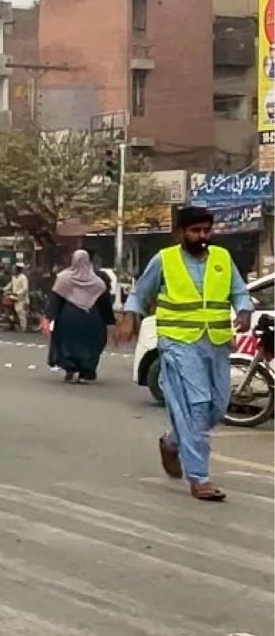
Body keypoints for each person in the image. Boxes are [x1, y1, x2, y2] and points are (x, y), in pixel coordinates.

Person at [115, 206, 254, 501]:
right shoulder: (164, 260)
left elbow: (239, 291)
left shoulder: (222, 258)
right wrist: (128, 318)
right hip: (178, 344)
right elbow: (141, 292)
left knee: (217, 406)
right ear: (180, 233)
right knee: (197, 407)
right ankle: (199, 478)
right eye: (195, 231)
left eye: (206, 230)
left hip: (215, 342)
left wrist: (243, 309)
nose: (202, 236)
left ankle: (172, 442)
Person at [45, 250, 115, 383]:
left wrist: (49, 317)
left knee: (67, 343)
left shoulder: (64, 278)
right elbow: (105, 304)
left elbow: (55, 300)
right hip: (92, 318)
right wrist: (110, 322)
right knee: (91, 344)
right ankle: (86, 372)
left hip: (69, 318)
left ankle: (70, 368)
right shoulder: (98, 282)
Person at [9, 264, 31, 331]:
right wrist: (3, 289)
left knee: (20, 312)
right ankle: (13, 325)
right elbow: (11, 284)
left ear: (17, 270)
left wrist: (17, 293)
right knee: (12, 310)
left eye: (14, 269)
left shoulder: (23, 277)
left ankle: (23, 327)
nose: (12, 270)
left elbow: (25, 288)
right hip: (14, 297)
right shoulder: (13, 277)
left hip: (22, 298)